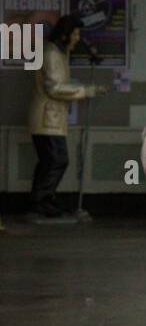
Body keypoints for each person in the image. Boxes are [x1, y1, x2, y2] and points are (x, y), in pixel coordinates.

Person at [26, 14, 107, 224]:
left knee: (49, 162)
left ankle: (43, 200)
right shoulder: (52, 54)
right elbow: (54, 88)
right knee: (57, 160)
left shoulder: (57, 53)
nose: (78, 38)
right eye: (76, 33)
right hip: (47, 119)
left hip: (49, 118)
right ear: (65, 34)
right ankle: (41, 201)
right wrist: (86, 90)